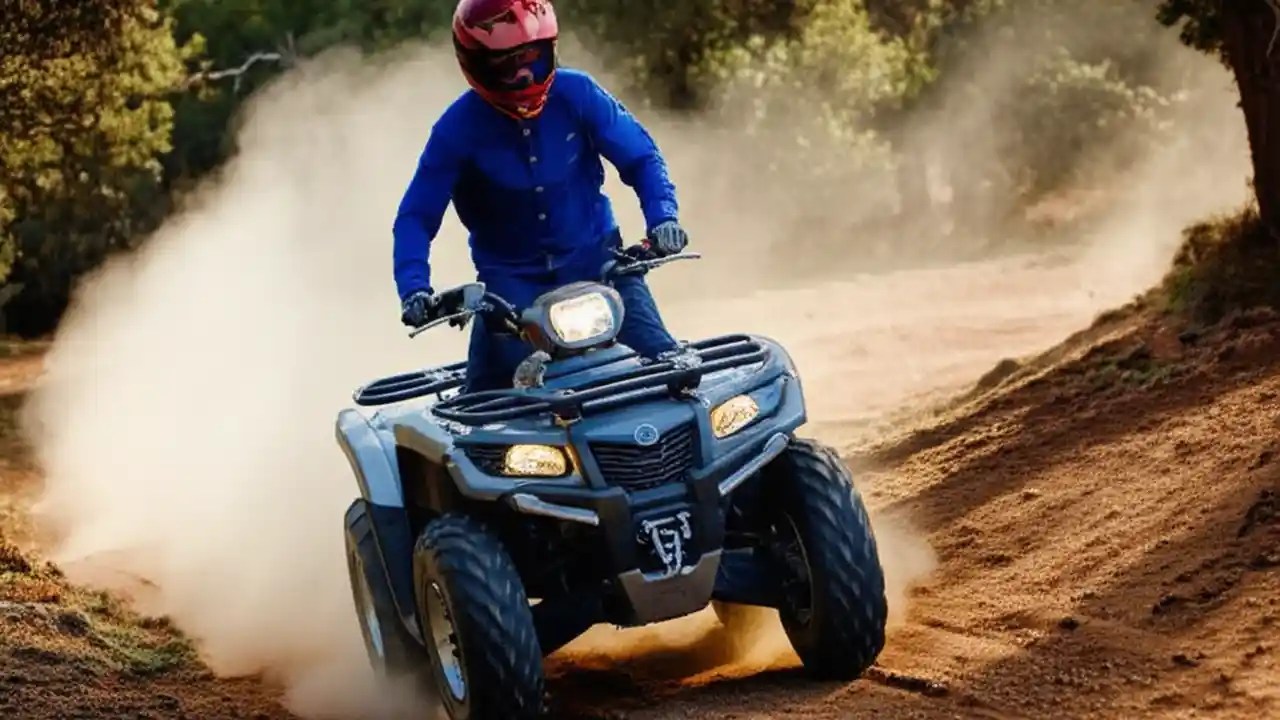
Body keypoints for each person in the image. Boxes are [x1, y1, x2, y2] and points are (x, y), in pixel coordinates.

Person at [392, 0, 691, 393]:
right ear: (474, 64)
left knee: (675, 373)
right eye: (504, 64)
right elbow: (416, 216)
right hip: (509, 295)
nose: (521, 75)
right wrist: (414, 287)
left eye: (531, 58)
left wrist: (663, 217)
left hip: (601, 269)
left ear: (551, 47)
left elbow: (642, 158)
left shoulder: (579, 93)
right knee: (478, 414)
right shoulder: (455, 130)